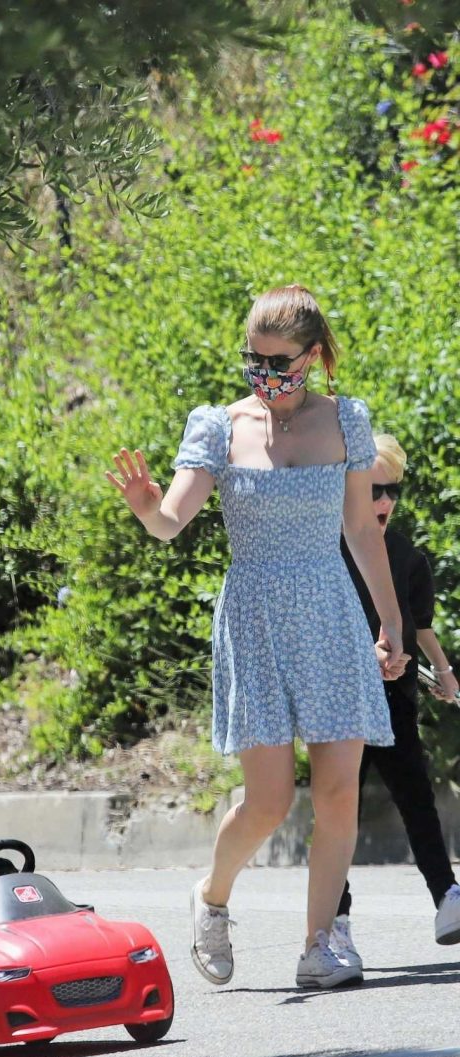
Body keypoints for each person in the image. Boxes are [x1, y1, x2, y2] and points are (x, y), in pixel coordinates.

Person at [106, 284, 405, 989]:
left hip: (330, 609)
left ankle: (318, 943)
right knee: (269, 800)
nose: (266, 374)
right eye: (255, 360)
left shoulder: (347, 421)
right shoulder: (218, 426)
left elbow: (362, 531)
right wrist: (149, 510)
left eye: (280, 361)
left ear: (314, 357)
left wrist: (390, 624)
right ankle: (211, 899)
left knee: (337, 793)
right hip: (256, 614)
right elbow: (174, 519)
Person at [330, 433, 460, 969]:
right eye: (373, 490)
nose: (383, 501)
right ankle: (334, 923)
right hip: (338, 703)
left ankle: (448, 898)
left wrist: (446, 673)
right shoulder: (327, 554)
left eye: (392, 491)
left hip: (394, 698)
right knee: (340, 814)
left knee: (418, 800)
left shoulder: (407, 555)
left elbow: (419, 624)